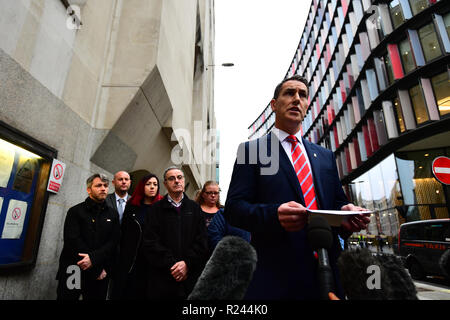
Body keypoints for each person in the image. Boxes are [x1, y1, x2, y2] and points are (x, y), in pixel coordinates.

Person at [224, 74, 370, 300]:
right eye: (289, 93)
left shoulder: (324, 156)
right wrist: (274, 214)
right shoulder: (251, 151)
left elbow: (337, 204)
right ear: (274, 104)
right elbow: (234, 209)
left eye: (302, 95)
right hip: (277, 276)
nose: (296, 99)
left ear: (307, 106)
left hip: (328, 271)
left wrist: (348, 215)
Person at [142, 166, 208, 299]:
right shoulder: (155, 210)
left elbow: (202, 241)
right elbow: (150, 242)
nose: (176, 181)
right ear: (165, 184)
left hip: (189, 278)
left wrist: (187, 264)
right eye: (171, 179)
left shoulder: (195, 209)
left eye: (179, 178)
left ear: (183, 181)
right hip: (163, 278)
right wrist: (172, 265)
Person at [56, 173, 120, 300]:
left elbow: (113, 241)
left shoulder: (113, 214)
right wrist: (94, 266)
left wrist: (95, 261)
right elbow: (72, 241)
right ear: (89, 189)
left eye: (106, 186)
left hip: (101, 271)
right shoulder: (75, 211)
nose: (103, 188)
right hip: (74, 269)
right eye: (99, 185)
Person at [111, 173, 163, 300]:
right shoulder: (132, 205)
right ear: (141, 186)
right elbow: (124, 233)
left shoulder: (162, 207)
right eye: (148, 184)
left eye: (155, 184)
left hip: (153, 260)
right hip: (131, 260)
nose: (152, 187)